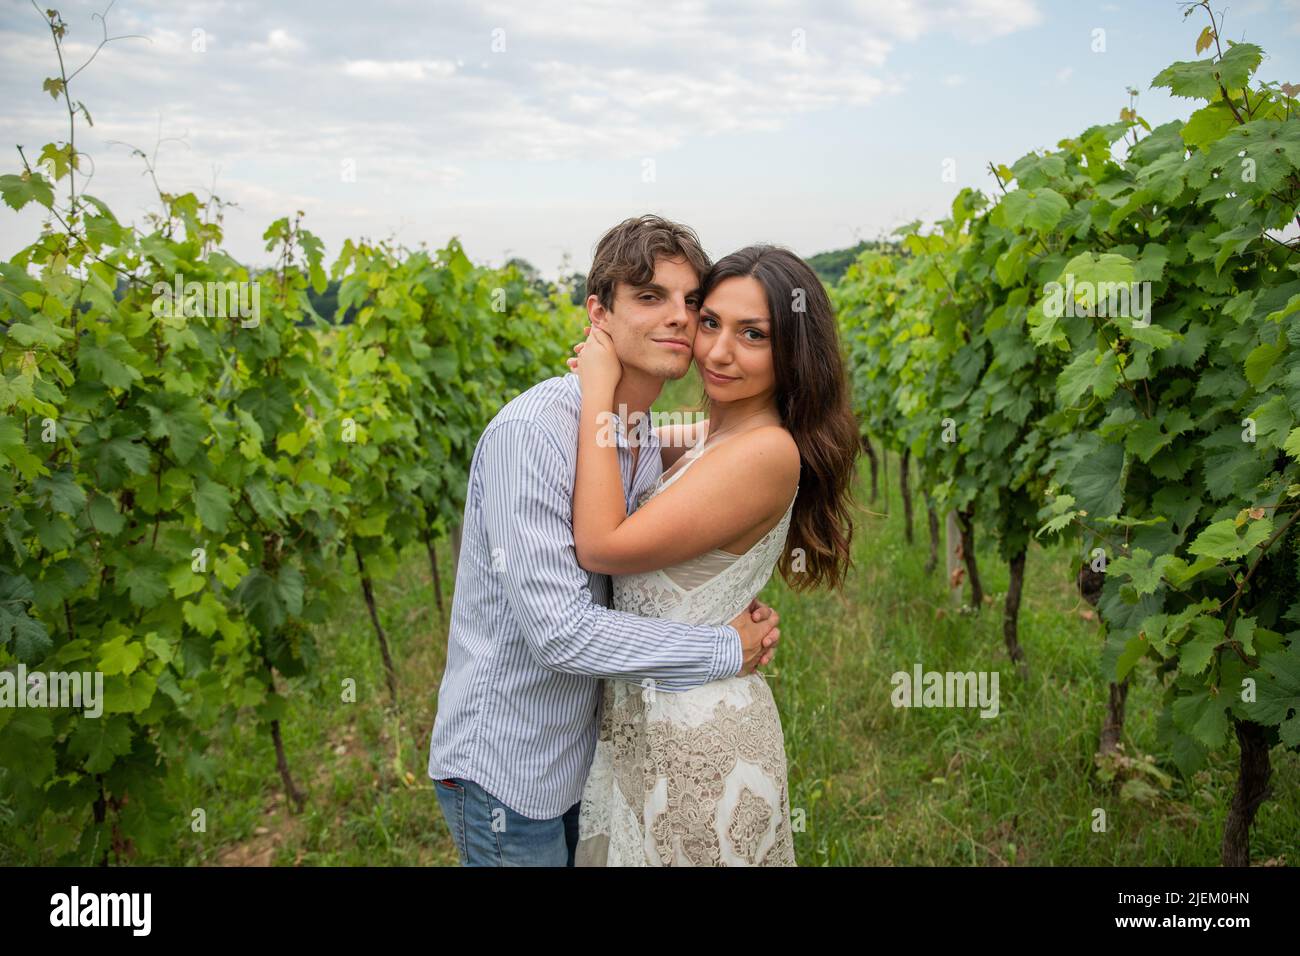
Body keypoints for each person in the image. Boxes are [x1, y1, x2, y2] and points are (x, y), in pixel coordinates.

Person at [427, 215, 782, 867]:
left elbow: (730, 453)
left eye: (691, 302)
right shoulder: (532, 434)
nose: (679, 316)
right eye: (650, 296)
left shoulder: (638, 432)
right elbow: (561, 633)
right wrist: (721, 646)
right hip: (511, 770)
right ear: (599, 314)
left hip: (587, 757)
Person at [568, 244, 859, 866]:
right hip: (653, 718)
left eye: (753, 334)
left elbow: (602, 544)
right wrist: (620, 358)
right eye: (710, 323)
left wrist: (598, 388)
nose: (719, 353)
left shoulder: (766, 452)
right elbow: (632, 435)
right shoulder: (717, 435)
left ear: (794, 353)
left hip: (698, 737)